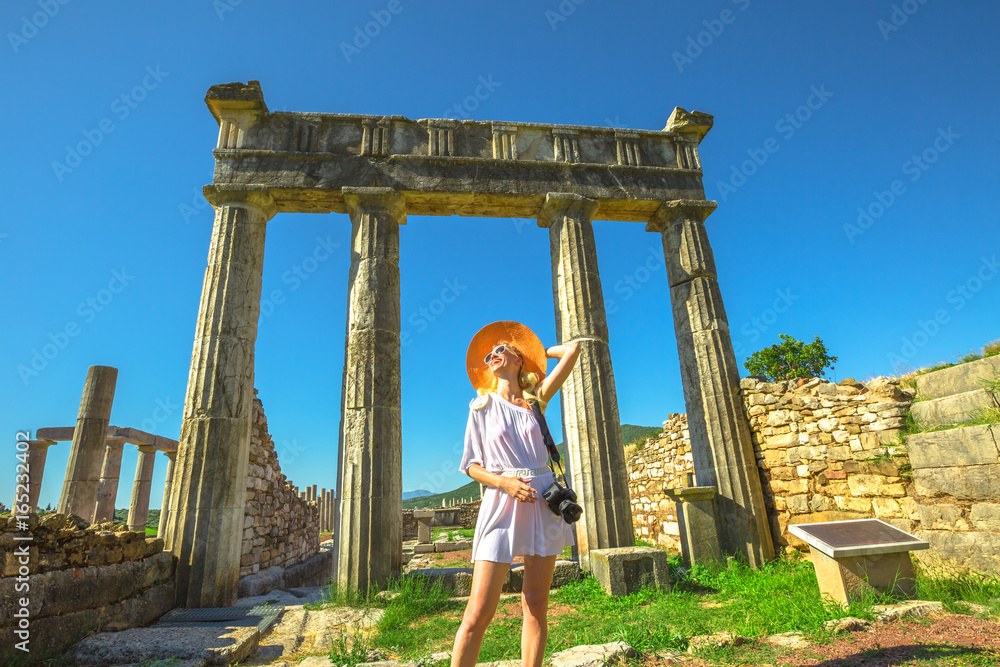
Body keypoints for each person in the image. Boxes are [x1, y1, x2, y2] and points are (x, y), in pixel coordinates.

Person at [450, 321, 581, 667]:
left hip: (544, 503)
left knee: (536, 603)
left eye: (501, 349)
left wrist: (536, 351)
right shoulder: (481, 406)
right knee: (478, 612)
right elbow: (470, 466)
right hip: (502, 502)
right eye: (489, 353)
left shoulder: (536, 401)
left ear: (518, 359)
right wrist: (505, 483)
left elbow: (571, 352)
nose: (492, 355)